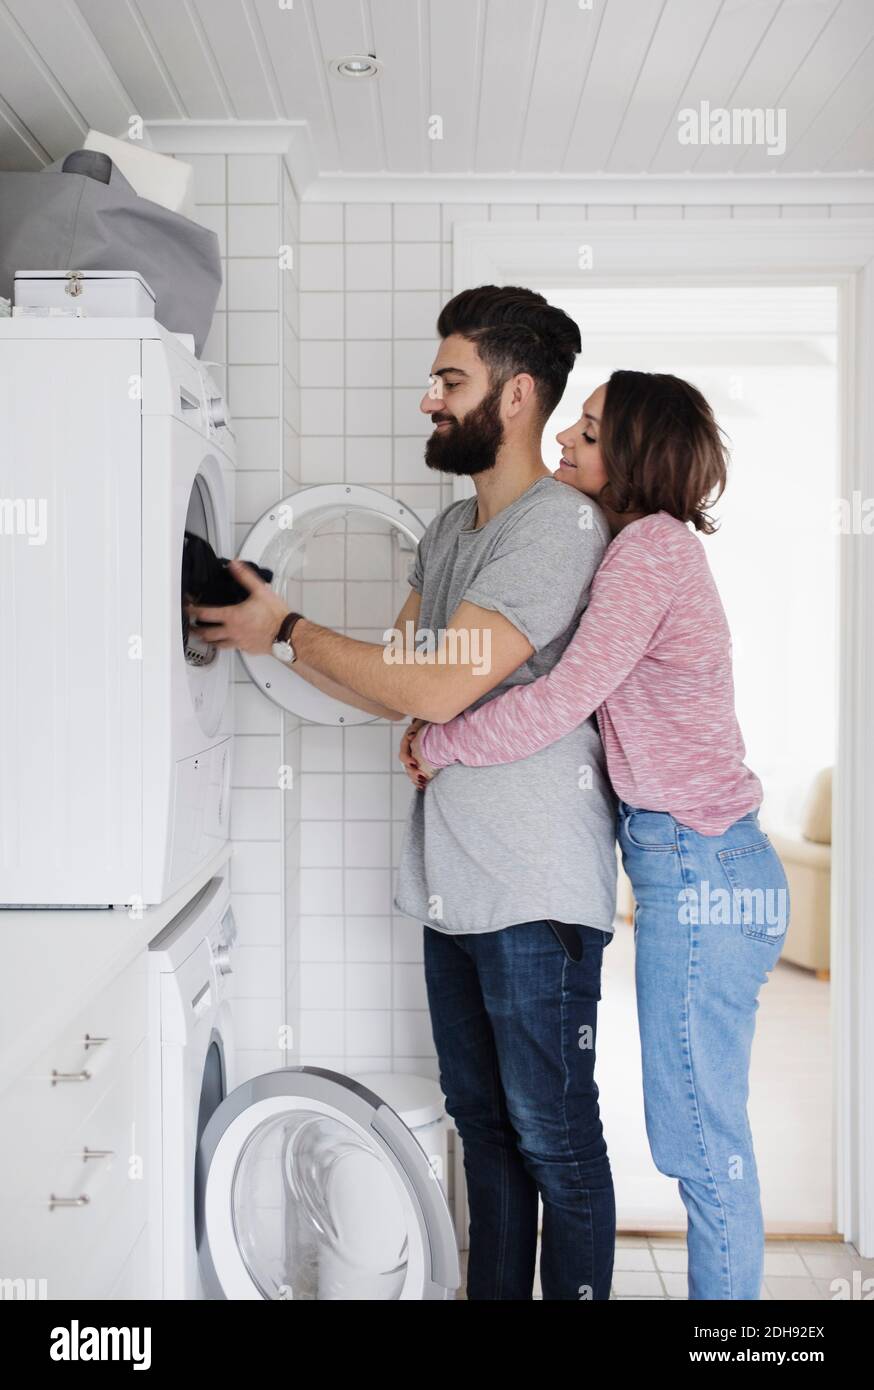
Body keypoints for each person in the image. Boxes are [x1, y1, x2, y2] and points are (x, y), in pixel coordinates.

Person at [188, 285, 619, 1301]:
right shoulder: (445, 532)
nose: (429, 398)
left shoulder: (556, 527)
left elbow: (431, 685)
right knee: (488, 1137)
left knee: (556, 1147)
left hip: (535, 897)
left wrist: (286, 630)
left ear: (517, 397)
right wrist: (263, 621)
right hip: (453, 891)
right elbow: (395, 676)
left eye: (450, 379)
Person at [407, 369, 790, 1301]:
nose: (568, 439)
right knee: (695, 1137)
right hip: (694, 863)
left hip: (704, 868)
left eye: (590, 428)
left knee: (699, 1146)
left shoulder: (649, 552)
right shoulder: (633, 549)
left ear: (638, 455)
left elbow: (560, 699)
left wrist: (440, 740)